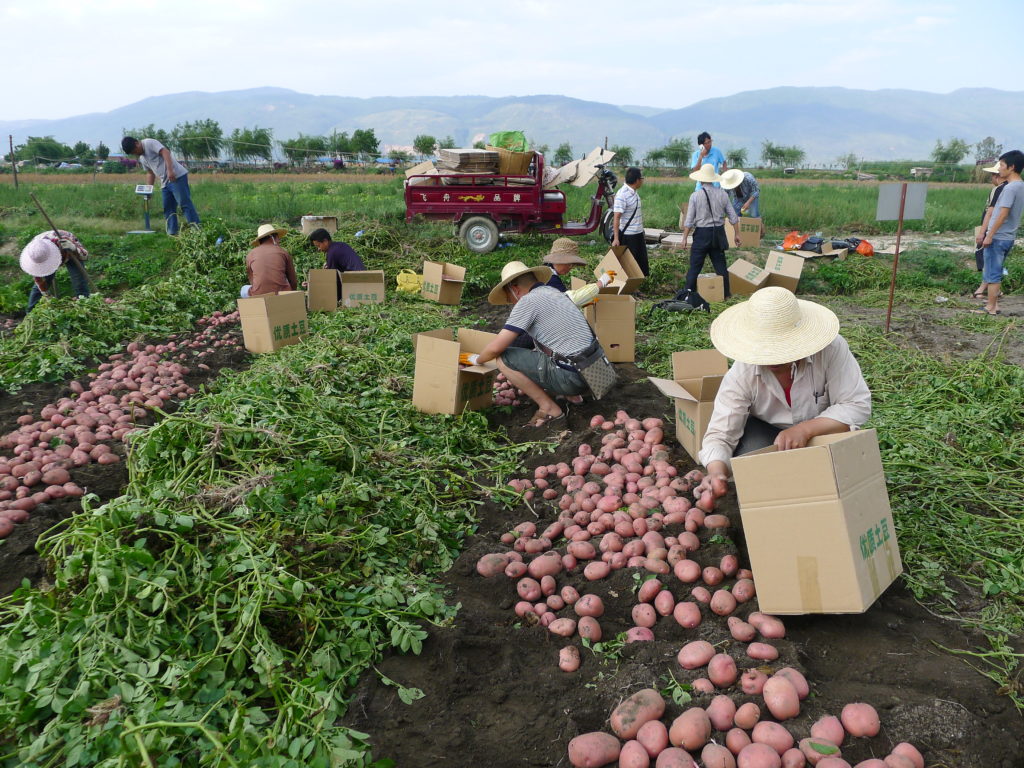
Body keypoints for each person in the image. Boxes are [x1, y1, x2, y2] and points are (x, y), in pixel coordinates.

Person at [694, 287, 872, 500]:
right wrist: (717, 473)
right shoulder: (743, 373)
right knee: (751, 464)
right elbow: (720, 434)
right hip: (770, 435)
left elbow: (856, 405)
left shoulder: (830, 351)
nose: (773, 359)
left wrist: (805, 430)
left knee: (844, 482)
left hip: (823, 434)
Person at [460, 261, 604, 427]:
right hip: (596, 373)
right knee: (542, 346)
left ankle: (548, 407)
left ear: (515, 289)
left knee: (503, 358)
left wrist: (476, 360)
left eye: (509, 298)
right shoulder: (553, 292)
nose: (512, 302)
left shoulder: (528, 301)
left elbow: (495, 348)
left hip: (573, 379)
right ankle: (572, 397)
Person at [976, 149, 1024, 316]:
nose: (1000, 169)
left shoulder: (1010, 188)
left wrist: (989, 235)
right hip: (1008, 236)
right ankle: (993, 305)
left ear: (1011, 167)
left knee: (992, 272)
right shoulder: (1020, 186)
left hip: (998, 236)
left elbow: (1002, 214)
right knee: (995, 270)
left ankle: (990, 307)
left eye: (1002, 165)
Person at [121, 135, 200, 236]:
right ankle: (172, 232)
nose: (136, 153)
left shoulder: (149, 143)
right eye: (133, 153)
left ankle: (197, 230)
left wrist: (170, 171)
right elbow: (150, 173)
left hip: (176, 177)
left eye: (135, 150)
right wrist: (149, 190)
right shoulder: (142, 158)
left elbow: (165, 152)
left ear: (137, 143)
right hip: (165, 182)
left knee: (184, 204)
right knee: (168, 208)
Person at [682, 165, 740, 298]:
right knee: (720, 266)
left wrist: (684, 238)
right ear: (713, 179)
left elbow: (689, 220)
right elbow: (733, 217)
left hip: (702, 234)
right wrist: (737, 234)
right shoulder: (723, 194)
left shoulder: (695, 196)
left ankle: (688, 295)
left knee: (695, 266)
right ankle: (726, 294)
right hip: (718, 234)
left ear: (701, 180)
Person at [19, 230, 91, 312]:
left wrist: (74, 248)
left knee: (79, 281)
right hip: (45, 253)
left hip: (68, 252)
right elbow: (39, 279)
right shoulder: (34, 253)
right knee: (44, 282)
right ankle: (30, 312)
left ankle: (85, 309)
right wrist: (46, 295)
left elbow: (85, 256)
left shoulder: (64, 240)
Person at [973, 161, 1007, 298]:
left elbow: (991, 212)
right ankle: (994, 289)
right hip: (995, 227)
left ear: (997, 175)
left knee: (987, 257)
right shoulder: (1006, 188)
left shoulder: (999, 189)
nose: (992, 178)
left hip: (990, 227)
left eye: (993, 175)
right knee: (992, 259)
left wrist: (983, 232)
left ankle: (983, 288)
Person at [611, 167, 649, 276]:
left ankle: (636, 287)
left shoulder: (633, 192)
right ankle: (630, 289)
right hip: (629, 236)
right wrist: (616, 238)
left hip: (638, 234)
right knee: (629, 265)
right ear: (637, 180)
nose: (642, 180)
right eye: (642, 178)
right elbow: (616, 217)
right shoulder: (622, 194)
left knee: (639, 263)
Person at [241, 224, 297, 298]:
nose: (279, 240)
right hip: (282, 295)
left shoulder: (250, 254)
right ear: (273, 237)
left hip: (259, 296)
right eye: (278, 238)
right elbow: (292, 280)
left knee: (243, 289)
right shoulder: (283, 252)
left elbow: (252, 279)